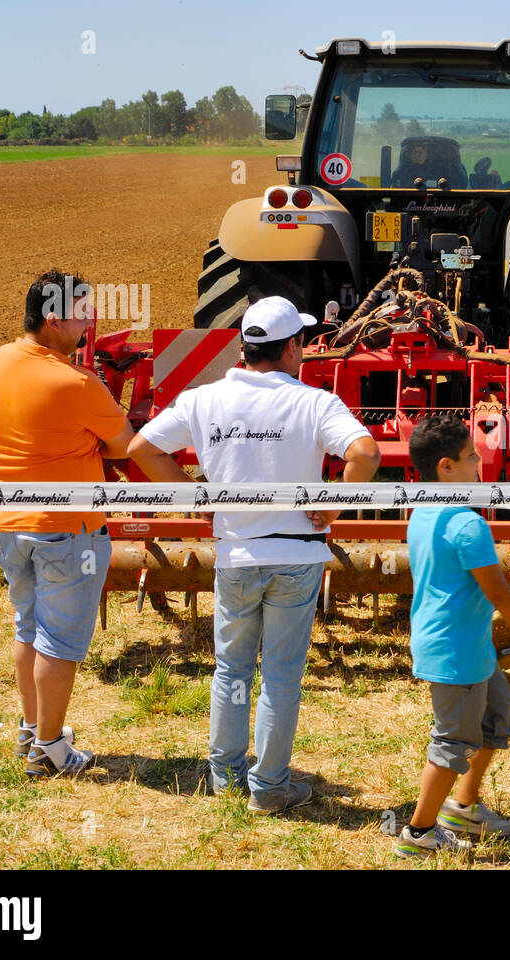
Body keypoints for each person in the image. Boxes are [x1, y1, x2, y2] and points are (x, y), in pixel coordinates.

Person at [128, 296, 381, 814]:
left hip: (236, 555)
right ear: (292, 348)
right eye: (303, 343)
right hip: (296, 557)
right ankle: (269, 787)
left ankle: (225, 776)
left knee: (232, 670)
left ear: (246, 347)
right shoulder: (314, 403)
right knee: (282, 674)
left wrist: (195, 500)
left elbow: (141, 450)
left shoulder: (204, 400)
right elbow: (366, 453)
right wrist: (333, 507)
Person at [395, 413, 510, 856]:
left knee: (497, 712)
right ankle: (418, 834)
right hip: (456, 652)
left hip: (464, 644)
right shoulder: (467, 524)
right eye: (472, 456)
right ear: (446, 467)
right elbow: (503, 598)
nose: (480, 462)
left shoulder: (422, 511)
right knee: (452, 743)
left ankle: (463, 807)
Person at [0, 269, 131, 777]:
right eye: (82, 311)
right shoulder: (78, 382)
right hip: (67, 529)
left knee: (28, 628)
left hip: (7, 521)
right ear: (53, 318)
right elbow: (123, 444)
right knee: (60, 641)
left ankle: (32, 731)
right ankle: (50, 749)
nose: (90, 320)